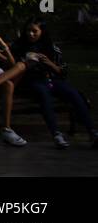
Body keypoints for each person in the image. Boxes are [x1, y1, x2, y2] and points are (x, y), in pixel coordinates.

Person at [12, 18, 97, 149]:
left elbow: (62, 72)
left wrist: (49, 63)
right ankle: (56, 134)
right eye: (28, 30)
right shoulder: (19, 46)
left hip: (52, 80)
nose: (31, 34)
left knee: (74, 94)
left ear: (42, 32)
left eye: (35, 31)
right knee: (44, 95)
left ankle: (92, 132)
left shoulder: (51, 48)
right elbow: (13, 66)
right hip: (32, 81)